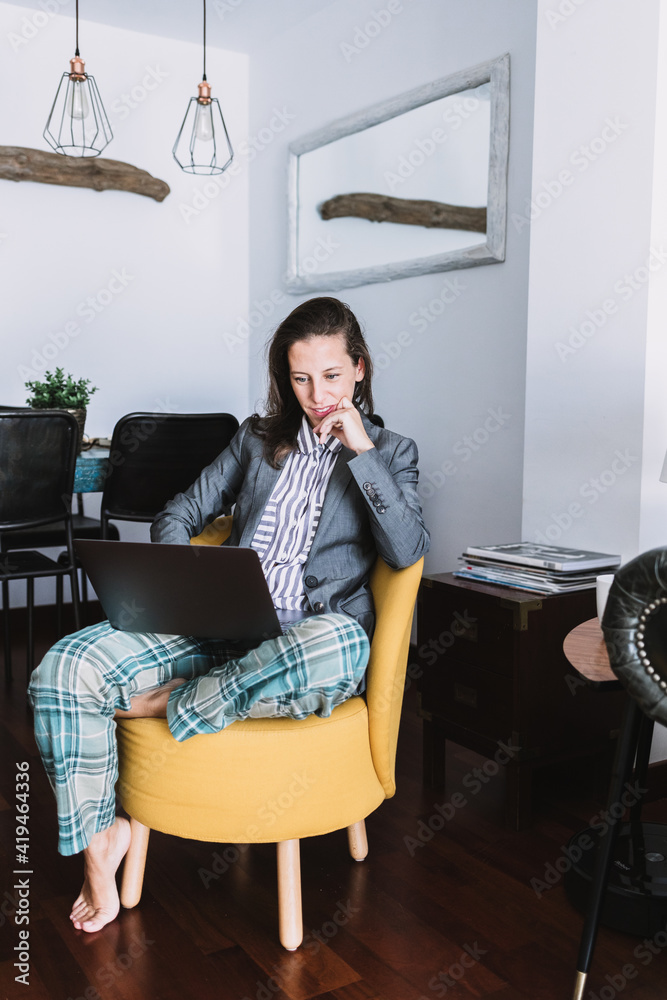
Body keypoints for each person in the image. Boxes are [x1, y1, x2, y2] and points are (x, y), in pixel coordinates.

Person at [28, 296, 429, 934]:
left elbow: (407, 549)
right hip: (216, 626)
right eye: (300, 378)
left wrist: (359, 449)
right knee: (66, 665)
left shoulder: (392, 451)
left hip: (305, 644)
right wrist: (182, 582)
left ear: (359, 369)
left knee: (340, 643)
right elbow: (179, 512)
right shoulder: (256, 438)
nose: (317, 395)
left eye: (331, 375)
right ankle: (101, 842)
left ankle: (174, 701)